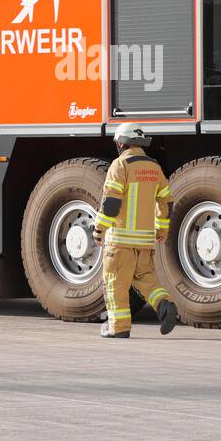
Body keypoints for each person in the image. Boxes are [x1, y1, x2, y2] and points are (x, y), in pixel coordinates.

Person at [91, 123, 181, 339]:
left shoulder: (120, 165)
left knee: (115, 283)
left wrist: (99, 229)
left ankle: (118, 327)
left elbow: (111, 203)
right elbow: (167, 202)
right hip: (144, 242)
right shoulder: (154, 167)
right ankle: (164, 304)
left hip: (120, 241)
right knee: (146, 279)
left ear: (121, 143)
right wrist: (162, 229)